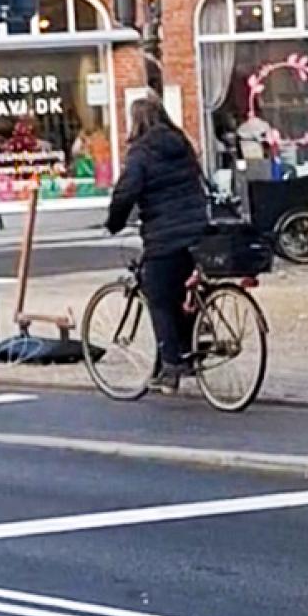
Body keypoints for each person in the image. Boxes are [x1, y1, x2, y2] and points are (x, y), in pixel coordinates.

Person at [107, 94, 209, 396]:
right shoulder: (181, 143)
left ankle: (171, 366)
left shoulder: (141, 153)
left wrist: (114, 222)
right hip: (197, 230)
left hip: (165, 235)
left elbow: (126, 192)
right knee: (186, 293)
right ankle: (186, 354)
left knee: (159, 296)